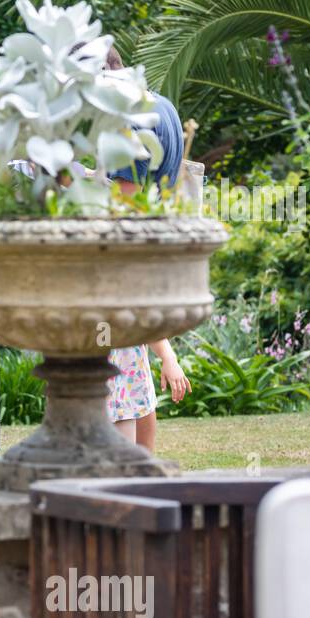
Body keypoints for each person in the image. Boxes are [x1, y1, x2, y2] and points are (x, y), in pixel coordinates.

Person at [96, 45, 192, 450]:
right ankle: (145, 468)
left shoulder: (126, 122)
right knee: (131, 365)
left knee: (114, 371)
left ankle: (122, 480)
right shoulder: (161, 106)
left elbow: (127, 200)